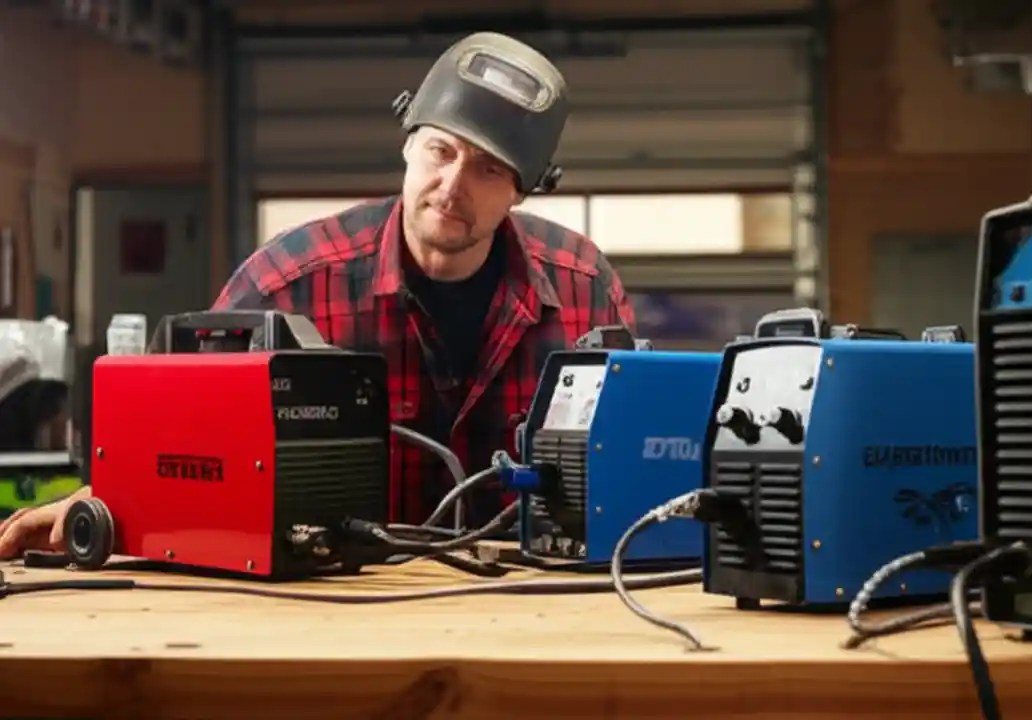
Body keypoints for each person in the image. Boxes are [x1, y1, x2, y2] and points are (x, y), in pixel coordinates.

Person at [0, 31, 635, 558]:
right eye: (440, 150)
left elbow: (637, 463)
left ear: (525, 189)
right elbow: (184, 443)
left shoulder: (585, 293)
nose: (451, 184)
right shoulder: (288, 285)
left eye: (489, 169)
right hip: (326, 610)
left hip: (533, 613)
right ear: (408, 141)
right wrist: (111, 496)